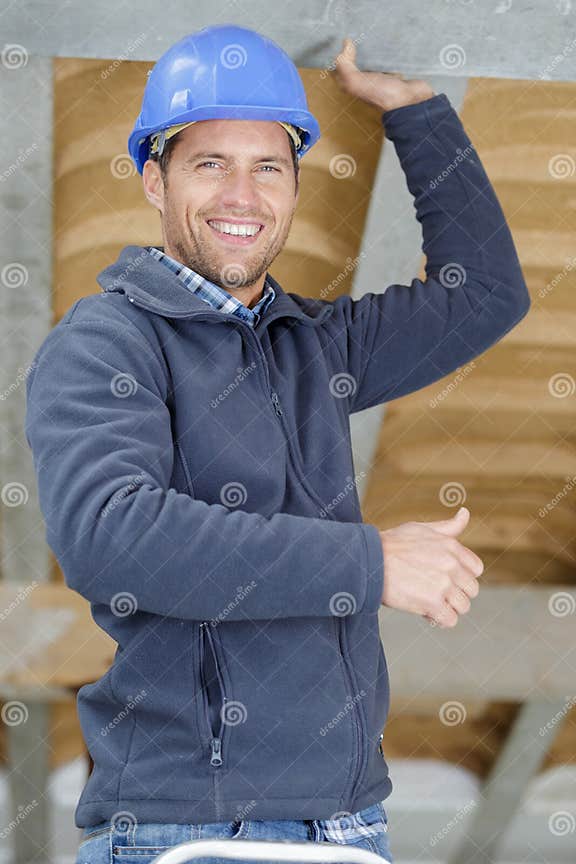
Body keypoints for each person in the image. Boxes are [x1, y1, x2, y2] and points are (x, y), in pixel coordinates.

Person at [24, 23, 530, 864]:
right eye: (209, 164)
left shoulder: (315, 346)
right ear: (153, 178)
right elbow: (112, 535)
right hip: (187, 825)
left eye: (268, 167)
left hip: (350, 821)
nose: (242, 195)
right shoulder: (107, 342)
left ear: (295, 186)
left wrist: (416, 111)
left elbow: (483, 294)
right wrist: (371, 563)